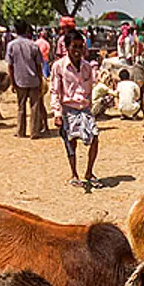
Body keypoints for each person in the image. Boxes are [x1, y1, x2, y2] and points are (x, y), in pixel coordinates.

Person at [51, 30, 104, 189]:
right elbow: (55, 91)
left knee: (94, 138)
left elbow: (89, 89)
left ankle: (89, 172)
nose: (77, 50)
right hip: (68, 109)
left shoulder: (87, 67)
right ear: (67, 47)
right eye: (74, 46)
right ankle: (74, 174)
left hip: (85, 109)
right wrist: (57, 113)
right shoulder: (58, 67)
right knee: (71, 142)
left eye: (80, 47)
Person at [7, 18, 46, 138]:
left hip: (19, 80)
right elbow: (39, 65)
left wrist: (12, 82)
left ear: (15, 30)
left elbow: (10, 66)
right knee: (34, 106)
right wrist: (40, 80)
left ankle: (21, 131)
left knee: (21, 106)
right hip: (33, 79)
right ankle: (34, 131)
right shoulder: (33, 45)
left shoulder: (11, 45)